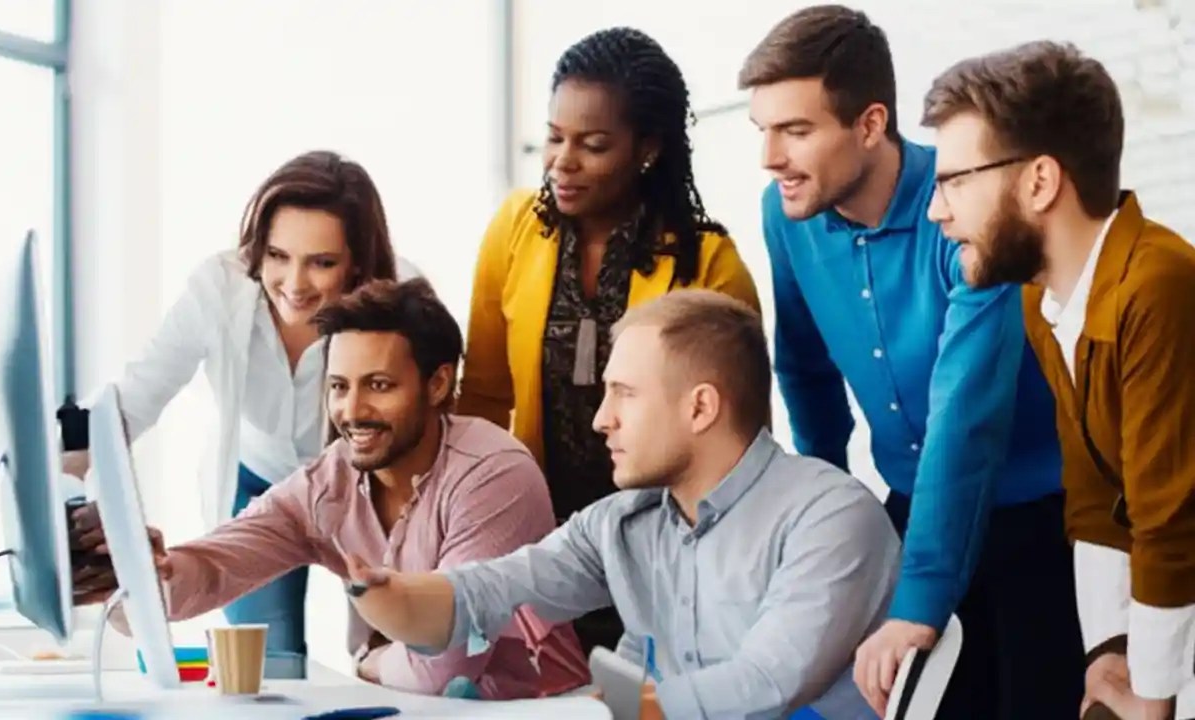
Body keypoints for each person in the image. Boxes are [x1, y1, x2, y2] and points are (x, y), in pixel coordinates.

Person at [738, 6, 1083, 717]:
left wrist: (918, 603)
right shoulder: (785, 211)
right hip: (910, 507)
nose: (770, 157)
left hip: (1043, 518)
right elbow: (802, 367)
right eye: (762, 130)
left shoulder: (964, 205)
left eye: (795, 130)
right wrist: (828, 507)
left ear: (870, 124)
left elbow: (967, 420)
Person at [337, 290, 900, 719]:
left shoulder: (830, 517)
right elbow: (504, 584)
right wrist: (398, 596)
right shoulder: (624, 522)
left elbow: (766, 684)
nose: (601, 419)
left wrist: (602, 712)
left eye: (624, 394)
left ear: (700, 408)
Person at [70, 278, 589, 699]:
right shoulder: (329, 482)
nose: (352, 411)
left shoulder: (493, 474)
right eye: (339, 386)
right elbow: (214, 568)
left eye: (379, 386)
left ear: (437, 385)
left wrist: (368, 663)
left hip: (538, 711)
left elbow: (445, 666)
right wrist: (142, 574)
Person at [456, 26, 761, 657]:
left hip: (663, 553)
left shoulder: (709, 264)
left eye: (593, 145)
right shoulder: (515, 230)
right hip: (538, 545)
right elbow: (482, 396)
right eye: (554, 138)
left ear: (647, 148)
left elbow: (736, 441)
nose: (562, 162)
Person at [922, 40, 1195, 719]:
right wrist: (1107, 653)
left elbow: (1170, 520)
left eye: (956, 181)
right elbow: (1094, 495)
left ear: (1040, 181)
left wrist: (1152, 699)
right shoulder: (1042, 301)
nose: (937, 211)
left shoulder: (1157, 285)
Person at [62, 150, 419, 659]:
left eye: (321, 263)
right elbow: (134, 399)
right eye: (278, 256)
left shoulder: (400, 302)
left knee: (388, 659)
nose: (294, 284)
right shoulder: (218, 289)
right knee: (268, 665)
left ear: (357, 260)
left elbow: (425, 435)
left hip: (368, 493)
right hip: (261, 490)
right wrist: (65, 477)